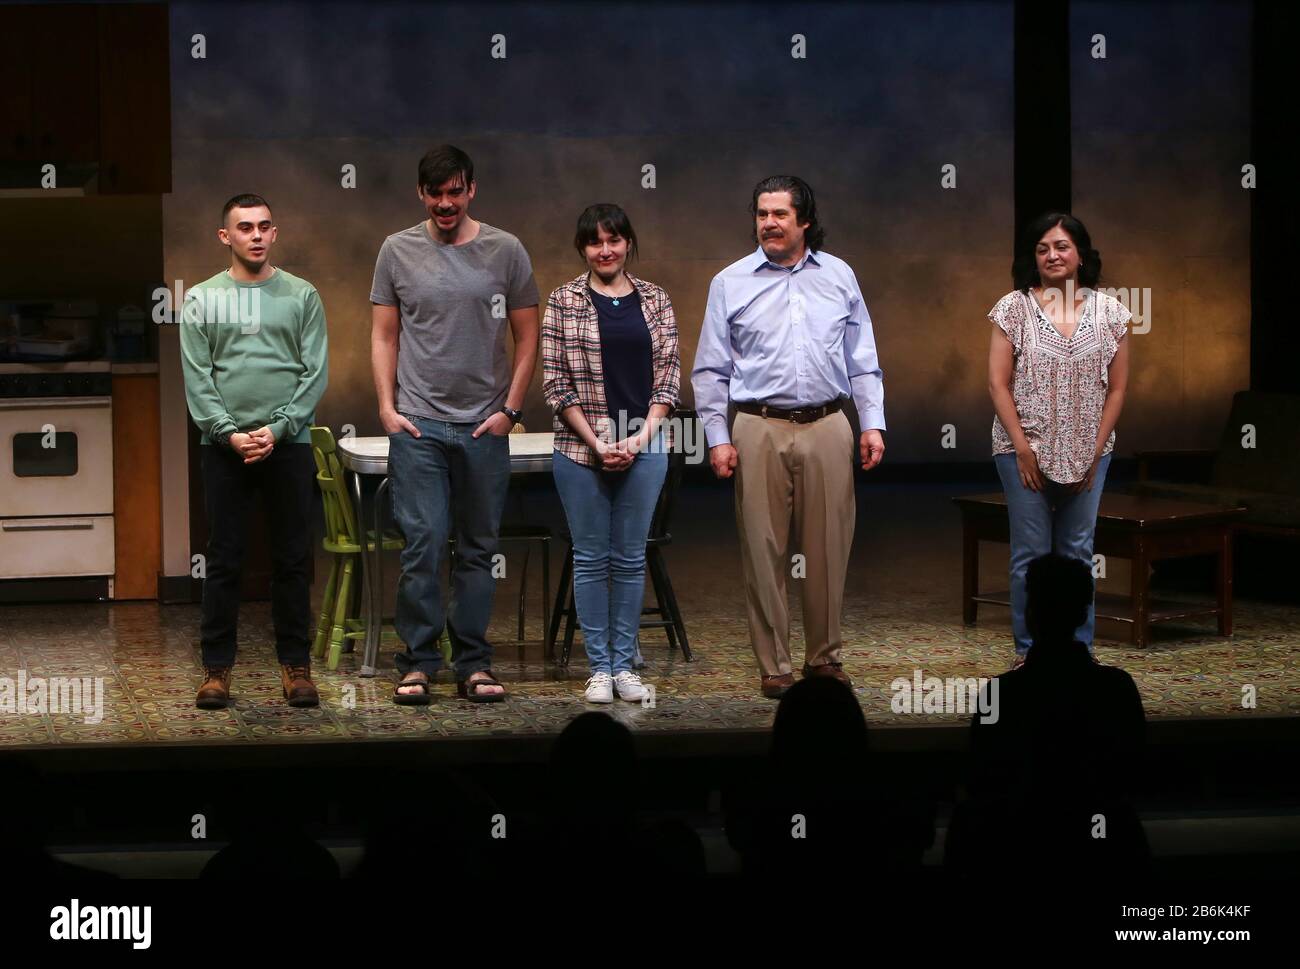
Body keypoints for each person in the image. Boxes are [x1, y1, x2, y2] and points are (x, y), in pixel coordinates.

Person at [691, 175, 885, 699]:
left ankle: (824, 658)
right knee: (762, 548)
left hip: (827, 423)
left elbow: (863, 361)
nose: (769, 223)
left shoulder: (839, 276)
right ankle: (774, 664)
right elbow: (710, 369)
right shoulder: (730, 282)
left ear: (804, 220)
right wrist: (716, 437)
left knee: (828, 548)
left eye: (779, 214)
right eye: (761, 214)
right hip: (757, 425)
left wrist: (872, 423)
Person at [371, 145, 540, 704]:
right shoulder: (397, 250)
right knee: (422, 544)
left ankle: (472, 662)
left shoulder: (505, 250)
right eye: (435, 192)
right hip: (418, 424)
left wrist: (509, 411)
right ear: (422, 194)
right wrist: (387, 408)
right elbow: (384, 336)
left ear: (471, 190)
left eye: (455, 191)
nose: (445, 202)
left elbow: (527, 336)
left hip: (482, 428)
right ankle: (418, 662)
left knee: (476, 547)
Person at [180, 194, 328, 710]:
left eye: (265, 226)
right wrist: (228, 432)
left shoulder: (301, 295)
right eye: (245, 228)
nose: (257, 235)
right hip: (225, 449)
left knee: (292, 559)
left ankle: (296, 669)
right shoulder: (201, 299)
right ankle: (216, 672)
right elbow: (198, 378)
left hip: (287, 445)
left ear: (275, 232)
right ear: (226, 237)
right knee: (223, 561)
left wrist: (280, 427)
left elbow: (314, 374)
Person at [542, 204, 680, 703]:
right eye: (595, 242)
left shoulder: (656, 300)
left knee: (627, 558)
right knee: (590, 558)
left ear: (627, 244)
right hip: (581, 449)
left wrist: (640, 439)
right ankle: (599, 667)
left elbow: (669, 375)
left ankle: (625, 666)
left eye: (614, 240)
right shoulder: (562, 300)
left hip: (644, 444)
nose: (606, 250)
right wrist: (598, 443)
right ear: (583, 248)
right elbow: (555, 384)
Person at [988, 212, 1130, 669]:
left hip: (1090, 452)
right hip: (1021, 448)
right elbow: (997, 384)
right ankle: (1029, 652)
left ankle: (1078, 650)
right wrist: (1023, 447)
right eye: (1043, 248)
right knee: (1030, 552)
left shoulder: (1112, 312)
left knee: (1077, 553)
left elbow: (1119, 388)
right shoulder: (1014, 307)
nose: (1052, 255)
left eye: (1062, 247)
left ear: (1081, 256)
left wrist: (1095, 450)